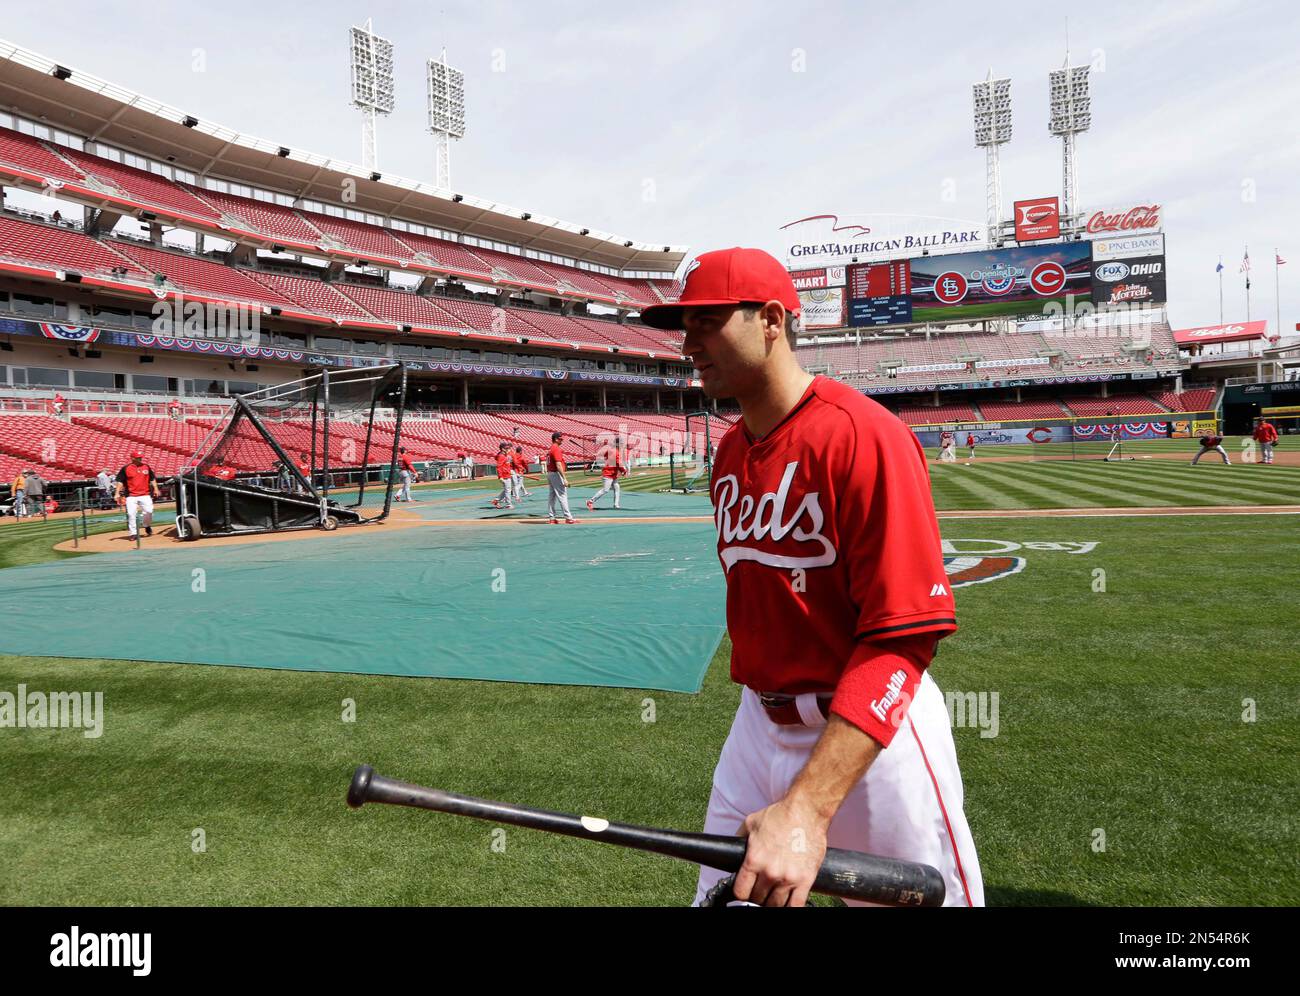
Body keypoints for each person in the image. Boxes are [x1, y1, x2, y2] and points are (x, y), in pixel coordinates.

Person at [639, 246, 982, 907]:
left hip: (871, 739)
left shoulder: (863, 436)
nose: (689, 343)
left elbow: (903, 636)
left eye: (706, 321)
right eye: (683, 328)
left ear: (771, 319)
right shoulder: (730, 455)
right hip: (757, 725)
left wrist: (807, 809)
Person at [114, 450, 161, 539]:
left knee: (149, 511)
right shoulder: (126, 468)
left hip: (145, 494)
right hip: (131, 495)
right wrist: (117, 493)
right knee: (131, 514)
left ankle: (146, 525)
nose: (140, 458)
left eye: (141, 457)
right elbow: (120, 481)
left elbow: (152, 479)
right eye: (138, 457)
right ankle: (133, 533)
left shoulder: (146, 467)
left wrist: (156, 489)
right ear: (132, 458)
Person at [586, 437, 627, 511]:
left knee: (617, 488)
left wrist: (597, 455)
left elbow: (605, 455)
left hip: (613, 473)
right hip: (608, 473)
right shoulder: (615, 451)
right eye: (621, 443)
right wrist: (623, 471)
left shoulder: (612, 450)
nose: (622, 445)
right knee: (605, 490)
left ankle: (616, 504)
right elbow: (618, 463)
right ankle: (590, 501)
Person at [546, 431, 576, 524]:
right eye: (560, 439)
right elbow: (558, 465)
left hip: (550, 473)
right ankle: (568, 517)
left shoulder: (551, 448)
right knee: (562, 495)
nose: (562, 440)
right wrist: (565, 478)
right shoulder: (556, 449)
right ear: (556, 439)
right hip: (555, 473)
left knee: (552, 496)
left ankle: (552, 518)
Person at [491, 442, 515, 510]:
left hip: (507, 474)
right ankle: (508, 504)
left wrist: (509, 471)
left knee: (507, 490)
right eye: (506, 448)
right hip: (504, 476)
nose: (508, 449)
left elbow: (506, 465)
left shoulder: (504, 455)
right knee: (508, 490)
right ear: (502, 449)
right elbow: (499, 467)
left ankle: (496, 500)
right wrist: (500, 476)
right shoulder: (501, 456)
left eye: (508, 448)